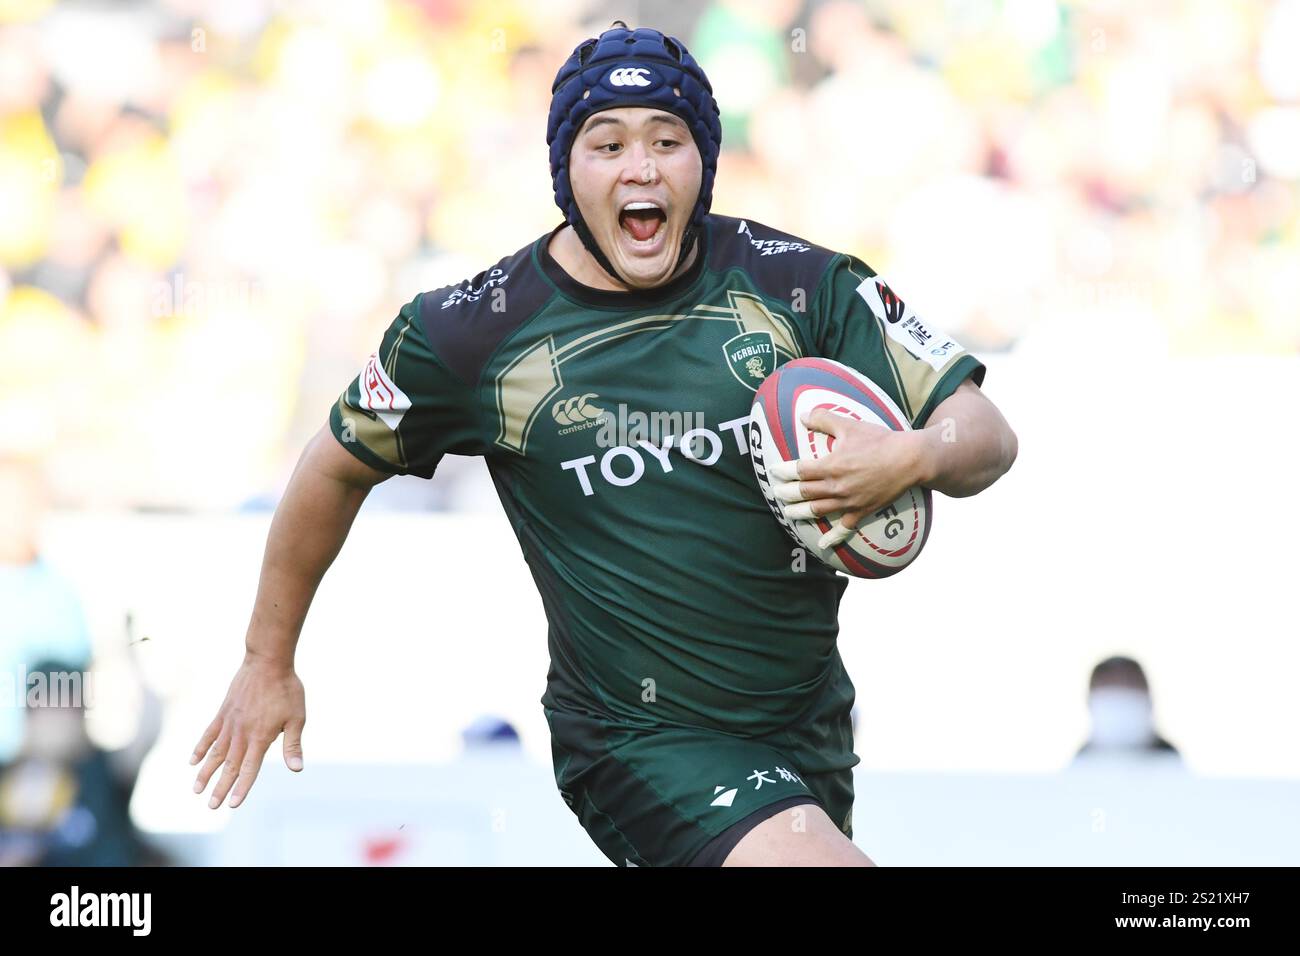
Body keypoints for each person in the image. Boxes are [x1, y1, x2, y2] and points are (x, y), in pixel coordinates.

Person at [191, 23, 1017, 867]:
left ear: (704, 163)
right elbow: (333, 467)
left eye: (669, 140)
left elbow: (984, 433)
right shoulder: (473, 332)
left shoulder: (800, 284)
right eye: (606, 143)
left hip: (805, 724)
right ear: (566, 171)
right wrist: (267, 659)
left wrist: (910, 455)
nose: (641, 167)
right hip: (637, 739)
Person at [1075, 656, 1179, 760]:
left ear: (1149, 700)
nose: (1118, 699)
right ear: (1090, 702)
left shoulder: (1178, 770)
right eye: (1110, 689)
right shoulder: (1073, 772)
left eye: (1128, 686)